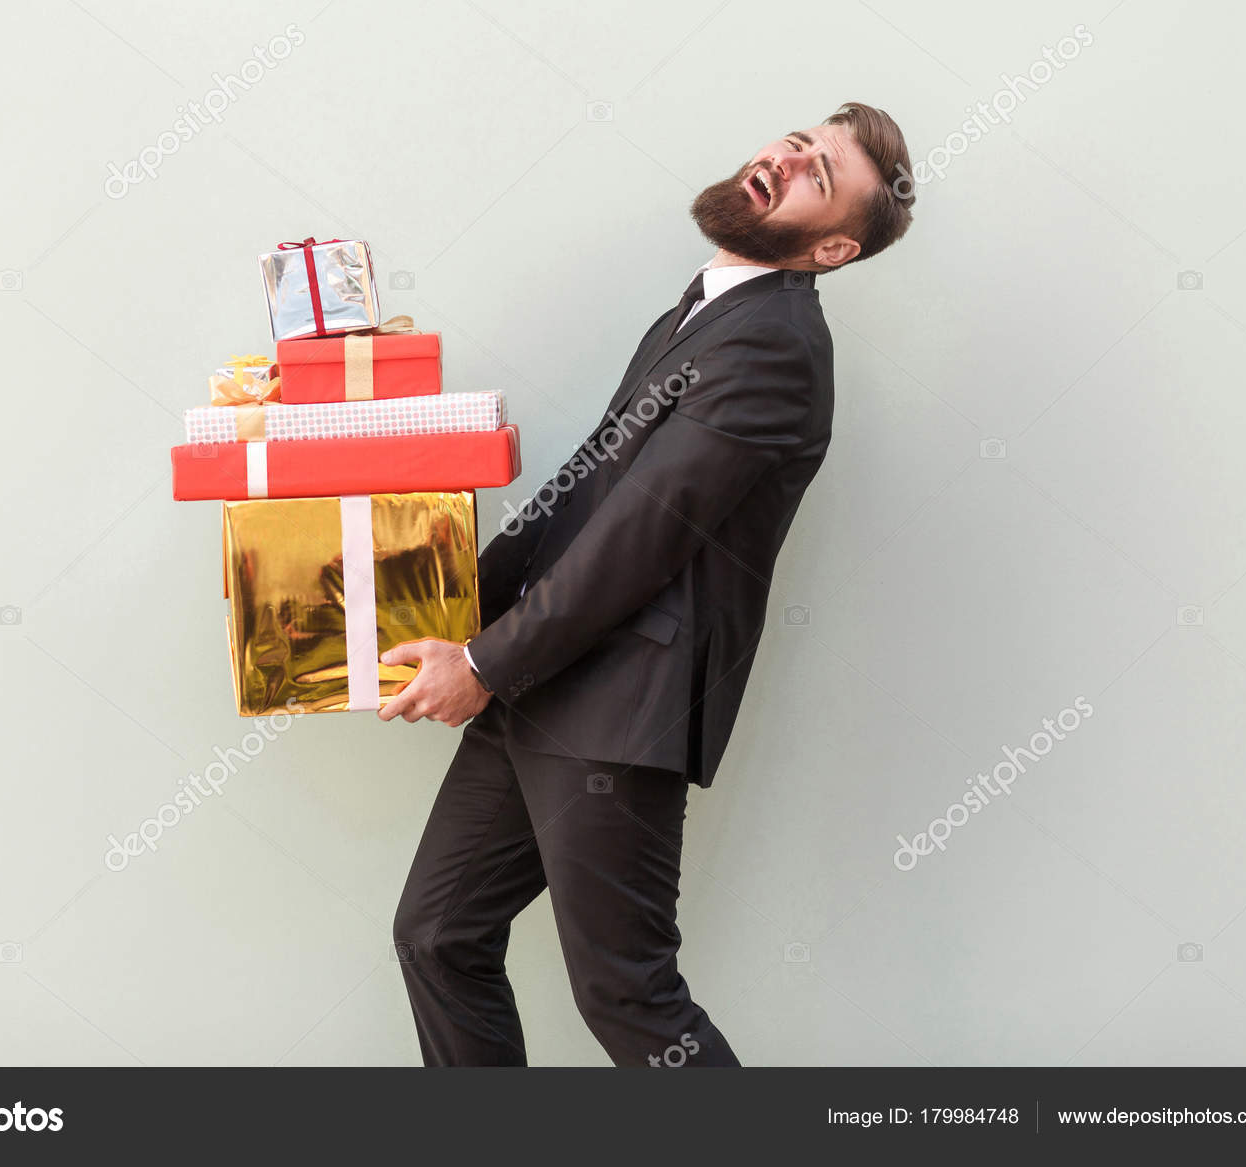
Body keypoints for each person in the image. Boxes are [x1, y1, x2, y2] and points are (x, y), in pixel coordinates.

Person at [380, 103, 916, 1067]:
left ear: (834, 250)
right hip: (539, 677)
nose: (786, 159)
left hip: (618, 706)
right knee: (439, 934)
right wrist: (447, 609)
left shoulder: (776, 347)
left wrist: (484, 664)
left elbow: (640, 538)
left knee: (629, 993)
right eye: (798, 142)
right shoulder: (711, 305)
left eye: (818, 174)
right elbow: (589, 481)